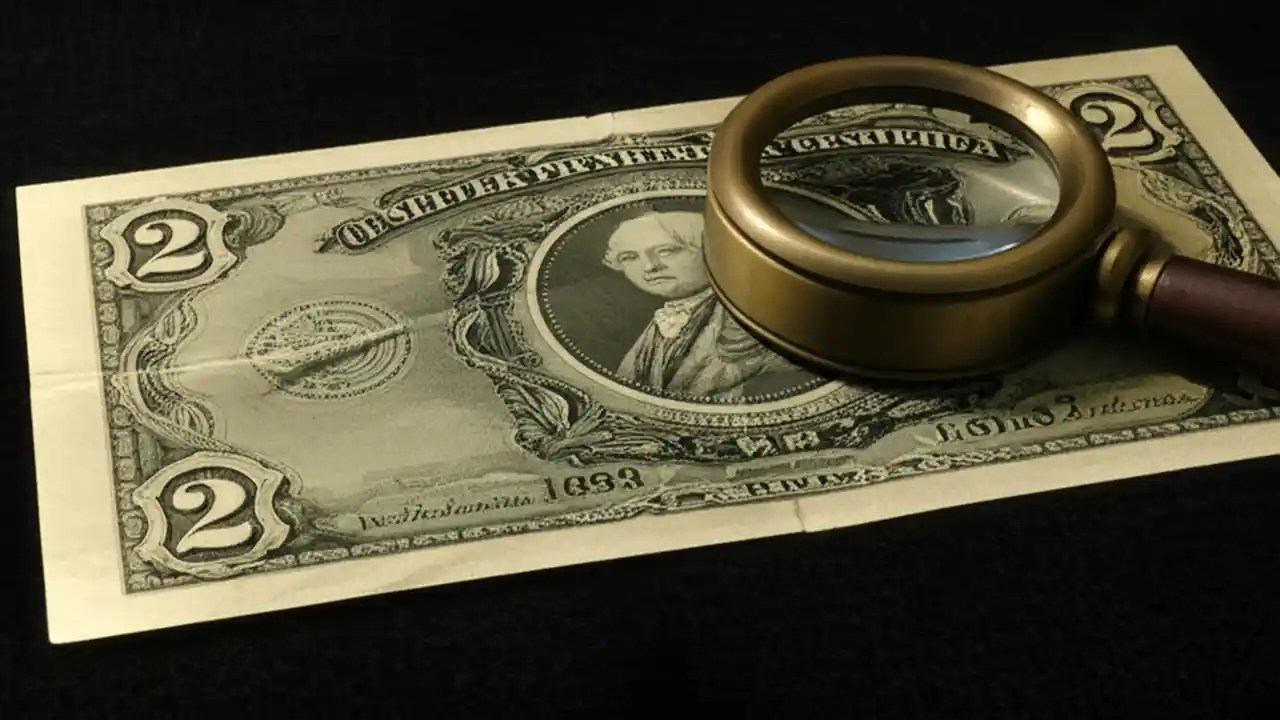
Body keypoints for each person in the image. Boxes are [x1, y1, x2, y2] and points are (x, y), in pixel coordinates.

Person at [601, 209, 813, 400]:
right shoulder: (663, 322)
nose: (649, 267)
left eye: (666, 251)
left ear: (712, 249)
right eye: (629, 257)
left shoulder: (756, 313)